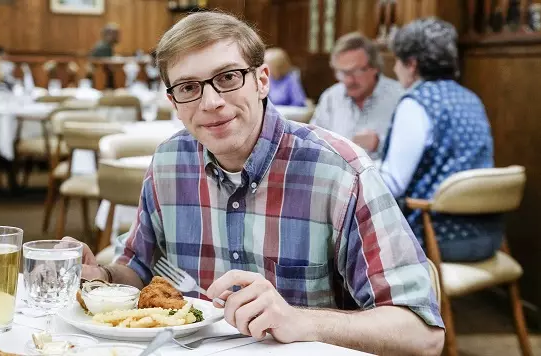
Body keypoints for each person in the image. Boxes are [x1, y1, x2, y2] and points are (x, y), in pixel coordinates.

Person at [66, 12, 444, 355]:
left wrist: (300, 320)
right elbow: (138, 270)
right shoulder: (169, 163)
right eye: (188, 87)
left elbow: (422, 334)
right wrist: (103, 278)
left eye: (228, 78)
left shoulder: (339, 171)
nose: (211, 102)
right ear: (174, 103)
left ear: (261, 80)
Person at [380, 18, 498, 262]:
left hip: (436, 236)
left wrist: (358, 169)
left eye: (397, 61)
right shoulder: (470, 98)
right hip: (490, 233)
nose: (394, 69)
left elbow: (392, 184)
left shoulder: (416, 103)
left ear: (411, 64)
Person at [310, 33, 403, 158]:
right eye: (343, 73)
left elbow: (414, 151)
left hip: (380, 175)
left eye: (355, 72)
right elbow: (312, 141)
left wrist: (379, 144)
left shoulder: (400, 97)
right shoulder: (331, 97)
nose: (349, 81)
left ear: (374, 67)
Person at [90, 23, 120, 89]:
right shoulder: (104, 47)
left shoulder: (106, 45)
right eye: (116, 34)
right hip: (100, 81)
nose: (118, 37)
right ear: (108, 34)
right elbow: (108, 67)